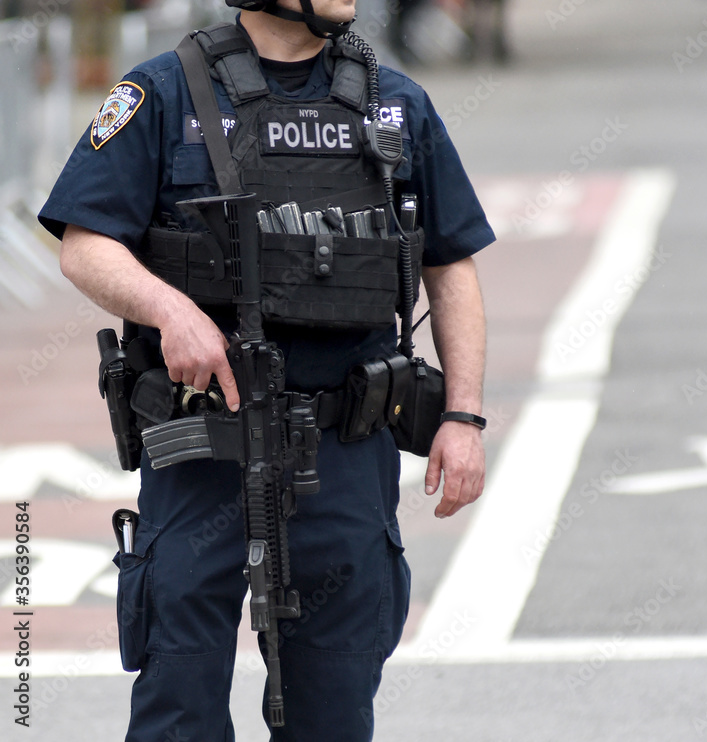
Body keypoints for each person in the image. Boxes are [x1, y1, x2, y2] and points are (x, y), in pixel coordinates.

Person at [37, 0, 494, 740]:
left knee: (334, 706)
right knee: (177, 693)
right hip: (205, 442)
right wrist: (170, 311)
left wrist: (463, 415)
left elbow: (451, 265)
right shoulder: (164, 92)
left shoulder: (398, 103)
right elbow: (85, 243)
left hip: (346, 450)